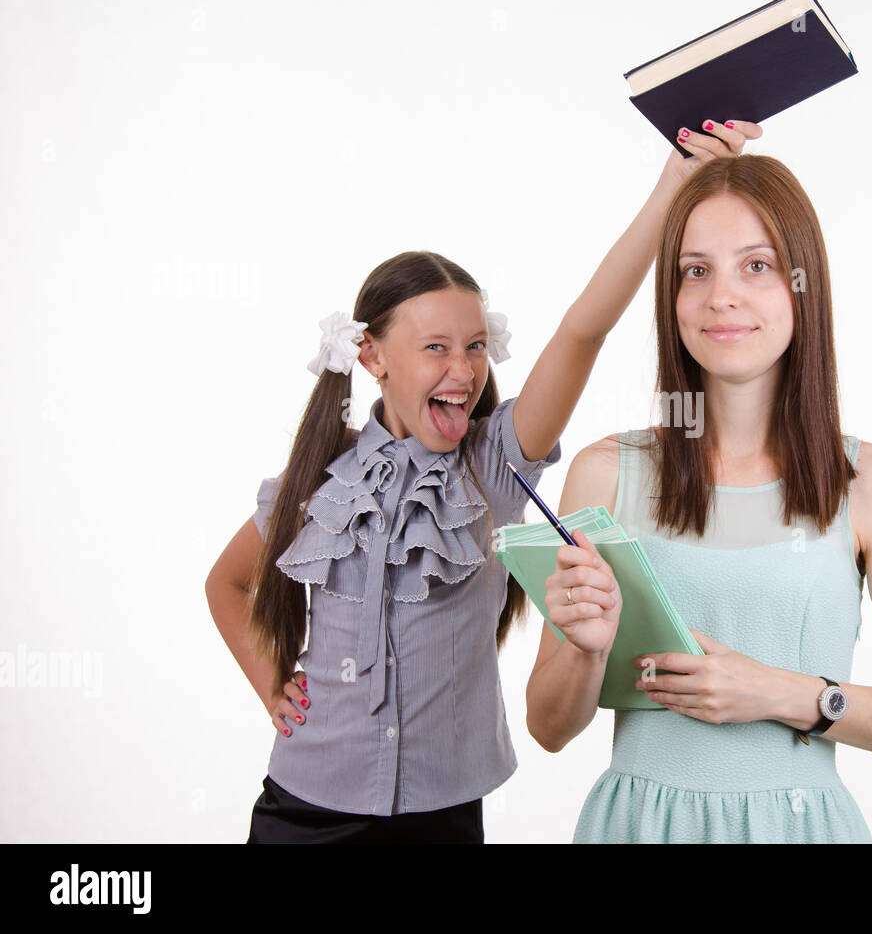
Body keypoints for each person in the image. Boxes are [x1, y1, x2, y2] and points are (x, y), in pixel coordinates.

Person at [204, 118, 761, 843]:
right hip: (303, 803)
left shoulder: (494, 466)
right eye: (435, 348)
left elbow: (581, 331)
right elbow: (226, 584)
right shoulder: (318, 479)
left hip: (442, 811)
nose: (463, 371)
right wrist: (271, 683)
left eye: (473, 347)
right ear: (372, 356)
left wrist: (671, 188)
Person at [526, 153, 872, 843]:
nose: (721, 296)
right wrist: (585, 650)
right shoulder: (605, 473)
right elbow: (548, 726)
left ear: (804, 286)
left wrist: (781, 693)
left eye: (756, 266)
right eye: (695, 270)